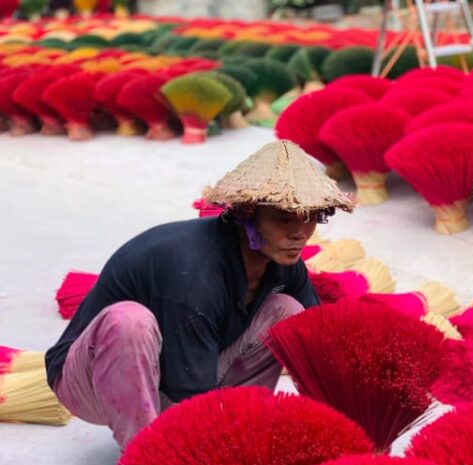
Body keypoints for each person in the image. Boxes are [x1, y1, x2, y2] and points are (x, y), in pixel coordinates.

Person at [45, 140, 353, 448]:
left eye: (310, 216)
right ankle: (145, 458)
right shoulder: (197, 273)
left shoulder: (282, 260)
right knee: (129, 321)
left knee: (287, 311)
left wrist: (345, 427)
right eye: (283, 218)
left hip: (177, 371)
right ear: (247, 212)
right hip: (92, 378)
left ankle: (244, 429)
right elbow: (192, 401)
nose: (300, 232)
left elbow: (318, 342)